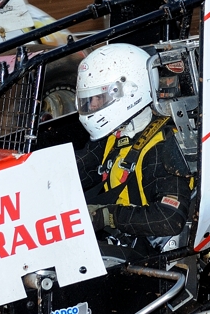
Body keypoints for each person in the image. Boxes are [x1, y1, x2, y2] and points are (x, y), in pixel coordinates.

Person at [73, 43, 194, 239]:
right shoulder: (113, 136)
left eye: (99, 98)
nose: (92, 106)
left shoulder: (164, 147)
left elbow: (169, 219)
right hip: (124, 238)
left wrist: (108, 216)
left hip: (153, 249)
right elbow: (76, 170)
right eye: (88, 99)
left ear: (130, 91)